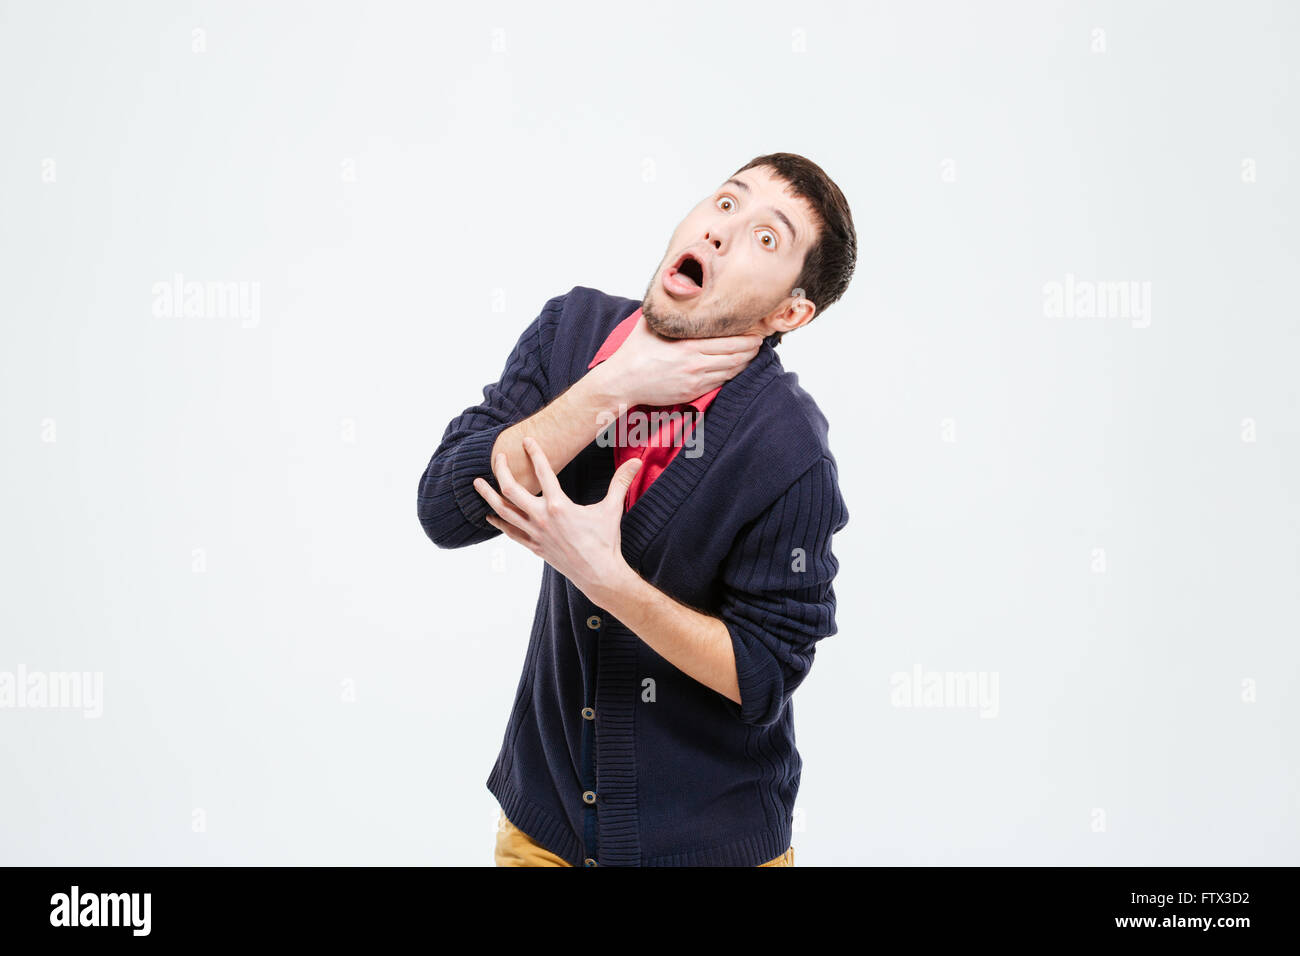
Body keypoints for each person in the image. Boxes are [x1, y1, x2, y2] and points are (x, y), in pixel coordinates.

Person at [417, 152, 856, 866]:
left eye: (766, 237)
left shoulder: (788, 449)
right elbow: (444, 507)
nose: (722, 232)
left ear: (789, 312)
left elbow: (766, 672)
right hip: (544, 837)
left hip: (713, 850)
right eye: (724, 203)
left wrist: (608, 583)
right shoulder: (573, 332)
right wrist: (613, 386)